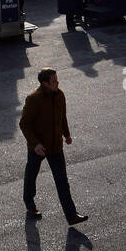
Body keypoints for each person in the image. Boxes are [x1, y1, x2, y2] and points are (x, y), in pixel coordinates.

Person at [19, 68, 88, 225]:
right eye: (54, 81)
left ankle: (71, 215)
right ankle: (29, 202)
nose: (58, 83)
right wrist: (35, 144)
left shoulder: (59, 95)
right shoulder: (33, 99)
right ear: (45, 84)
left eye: (57, 79)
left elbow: (62, 116)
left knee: (62, 181)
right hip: (38, 147)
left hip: (56, 146)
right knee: (31, 175)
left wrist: (67, 135)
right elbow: (24, 124)